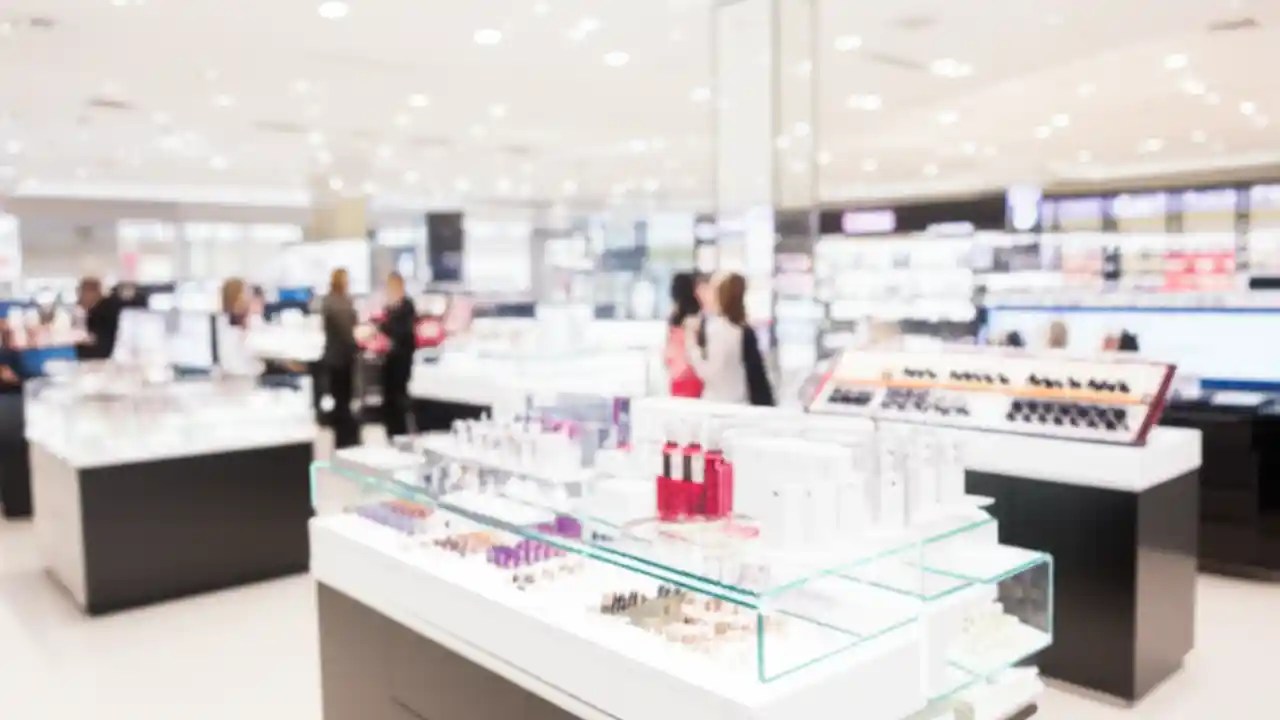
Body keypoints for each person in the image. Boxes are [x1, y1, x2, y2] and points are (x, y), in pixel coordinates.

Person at [685, 273, 774, 405]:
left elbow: (708, 371)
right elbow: (757, 377)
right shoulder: (744, 331)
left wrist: (691, 344)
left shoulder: (715, 329)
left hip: (715, 403)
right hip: (740, 403)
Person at [321, 268, 361, 448]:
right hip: (343, 357)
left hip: (335, 356)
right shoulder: (341, 303)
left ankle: (342, 439)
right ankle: (347, 440)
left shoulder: (329, 301)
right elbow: (347, 331)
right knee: (344, 400)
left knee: (340, 400)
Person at [378, 272, 417, 439]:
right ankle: (391, 433)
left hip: (402, 361)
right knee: (389, 399)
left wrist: (383, 328)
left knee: (399, 399)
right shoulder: (391, 308)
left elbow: (402, 332)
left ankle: (401, 434)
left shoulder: (406, 307)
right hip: (390, 360)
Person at [663, 273, 704, 398]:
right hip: (693, 375)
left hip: (676, 376)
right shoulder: (697, 319)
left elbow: (668, 351)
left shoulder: (673, 320)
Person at [75, 277, 120, 360]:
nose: (79, 298)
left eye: (81, 292)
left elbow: (101, 345)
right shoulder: (99, 309)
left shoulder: (104, 310)